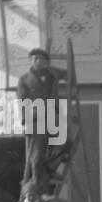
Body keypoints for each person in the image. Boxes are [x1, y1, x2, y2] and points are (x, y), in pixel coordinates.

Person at [17, 48, 67, 189]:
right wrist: (25, 121)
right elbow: (21, 101)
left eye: (41, 59)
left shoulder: (52, 75)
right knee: (37, 156)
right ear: (31, 61)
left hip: (53, 117)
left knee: (65, 143)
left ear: (46, 61)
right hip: (36, 120)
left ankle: (49, 169)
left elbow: (68, 74)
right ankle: (38, 184)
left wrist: (75, 86)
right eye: (35, 59)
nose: (38, 61)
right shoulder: (24, 79)